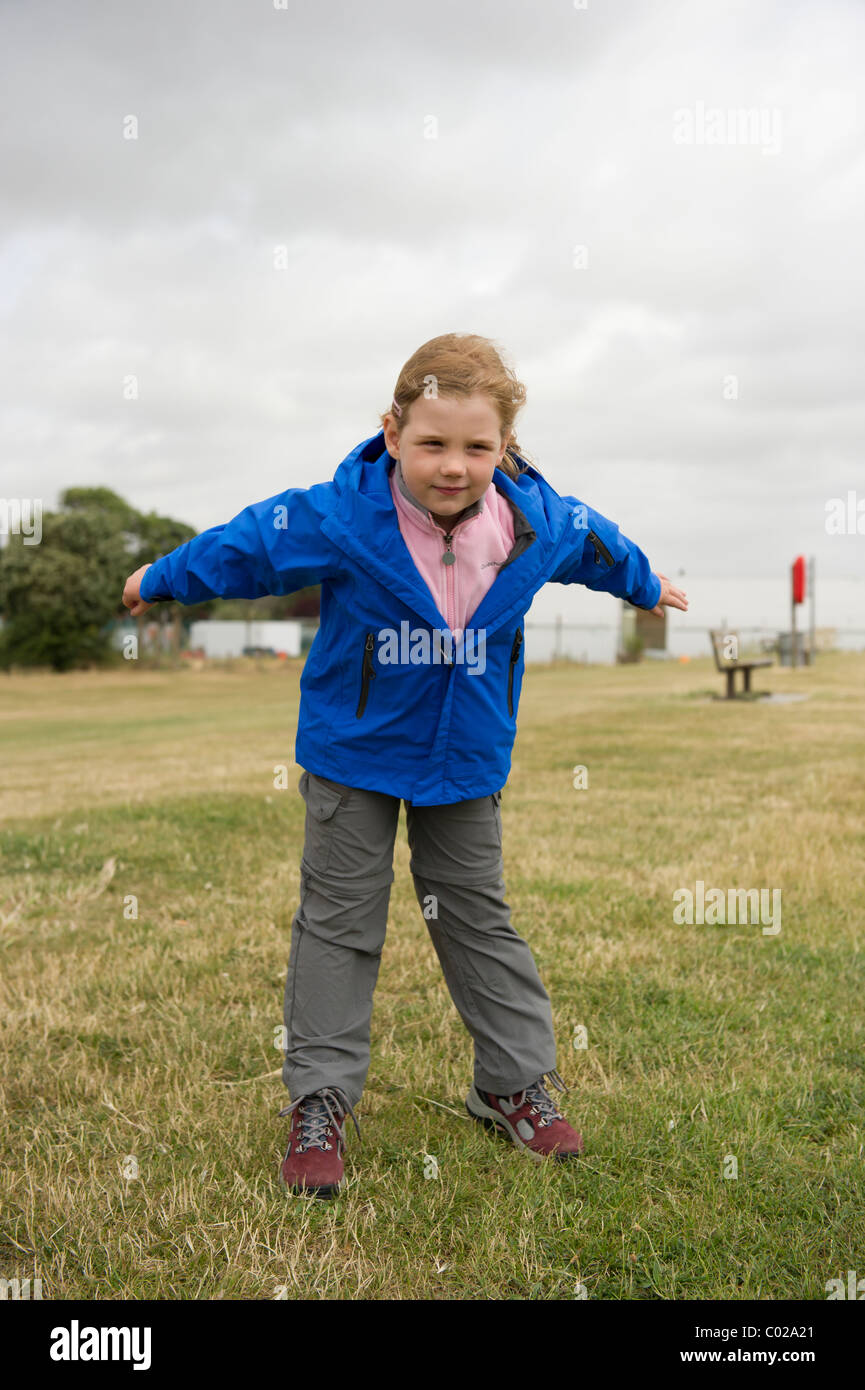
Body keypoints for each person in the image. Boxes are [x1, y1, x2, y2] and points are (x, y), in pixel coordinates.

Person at [122, 332, 688, 1200]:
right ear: (391, 433)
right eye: (431, 444)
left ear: (506, 449)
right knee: (340, 920)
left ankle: (511, 1085)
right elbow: (246, 546)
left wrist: (645, 586)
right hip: (355, 749)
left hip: (465, 754)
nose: (453, 466)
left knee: (476, 916)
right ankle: (319, 1102)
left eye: (476, 447)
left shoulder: (538, 522)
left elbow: (598, 545)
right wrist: (162, 577)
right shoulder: (338, 516)